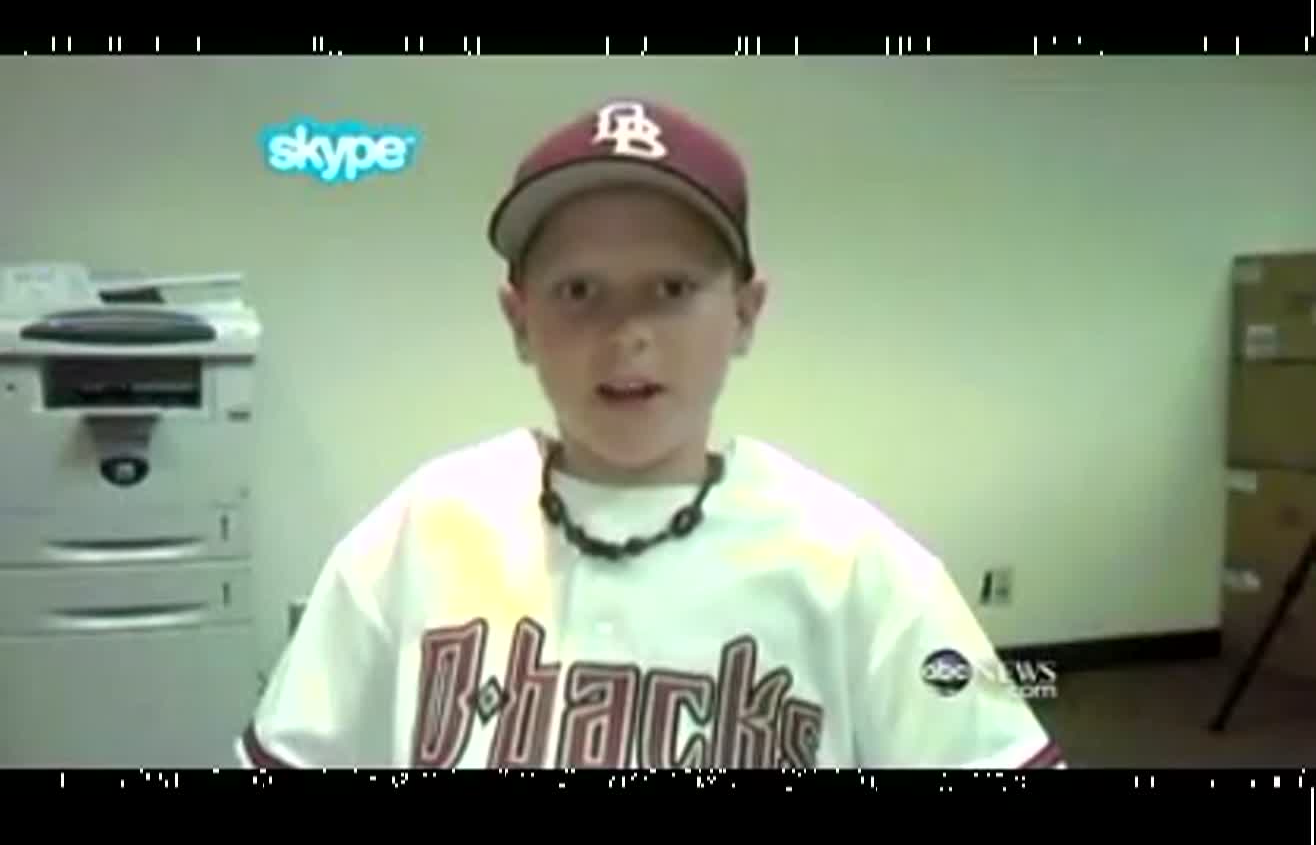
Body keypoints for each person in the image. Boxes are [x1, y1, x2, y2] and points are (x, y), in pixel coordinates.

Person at [236, 96, 1066, 770]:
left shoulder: (860, 570)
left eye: (671, 287)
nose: (626, 331)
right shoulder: (418, 534)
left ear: (745, 314)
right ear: (518, 322)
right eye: (578, 290)